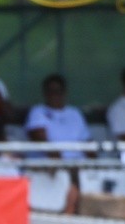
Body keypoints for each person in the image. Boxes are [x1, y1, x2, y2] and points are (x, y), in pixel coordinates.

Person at [24, 73, 90, 215]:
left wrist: (94, 164)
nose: (54, 95)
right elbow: (40, 139)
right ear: (45, 93)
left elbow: (88, 143)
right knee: (65, 176)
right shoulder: (38, 112)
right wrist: (63, 164)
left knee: (93, 173)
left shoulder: (75, 113)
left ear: (64, 92)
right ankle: (67, 213)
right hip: (52, 166)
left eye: (58, 91)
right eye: (51, 91)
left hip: (78, 166)